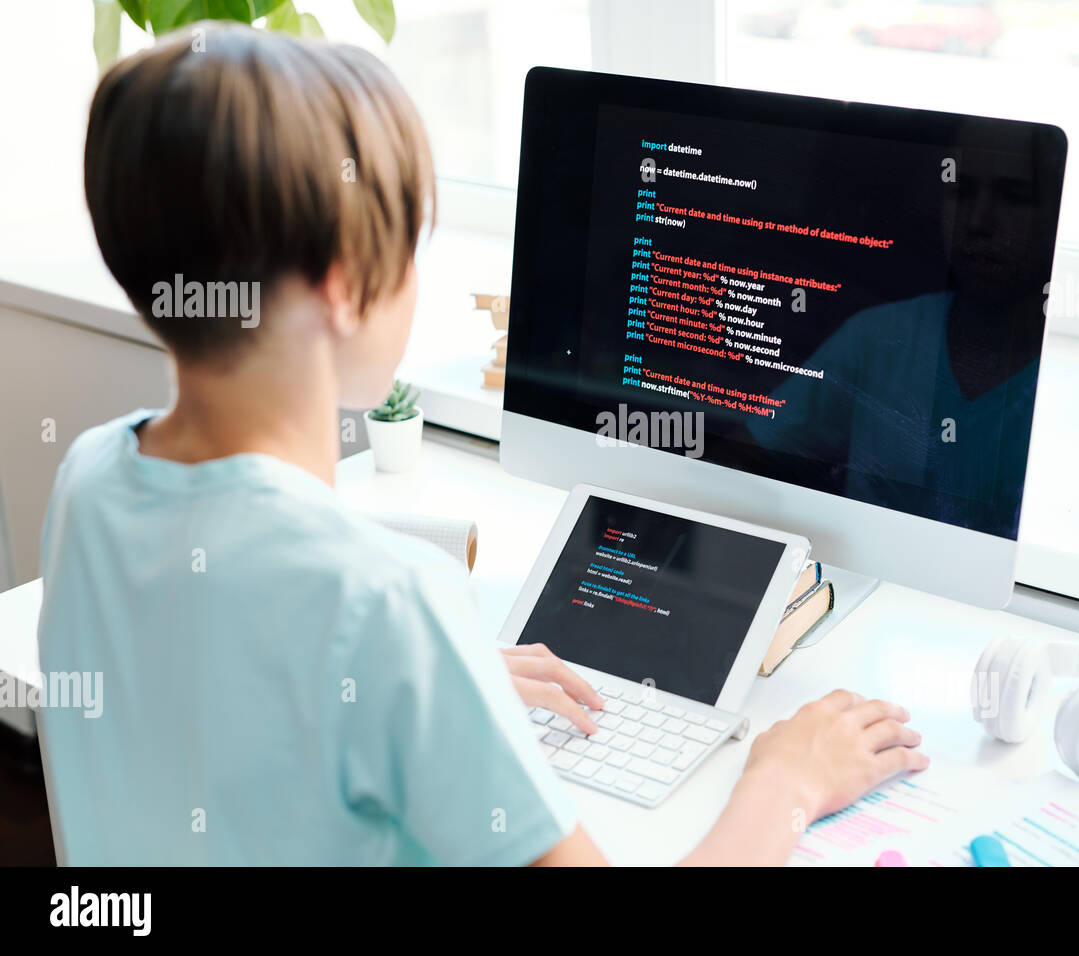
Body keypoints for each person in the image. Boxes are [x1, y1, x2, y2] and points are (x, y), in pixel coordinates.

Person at [37, 23, 926, 866]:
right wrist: (788, 782)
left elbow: (223, 696)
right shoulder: (388, 606)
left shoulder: (90, 477)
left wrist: (429, 696)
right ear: (345, 290)